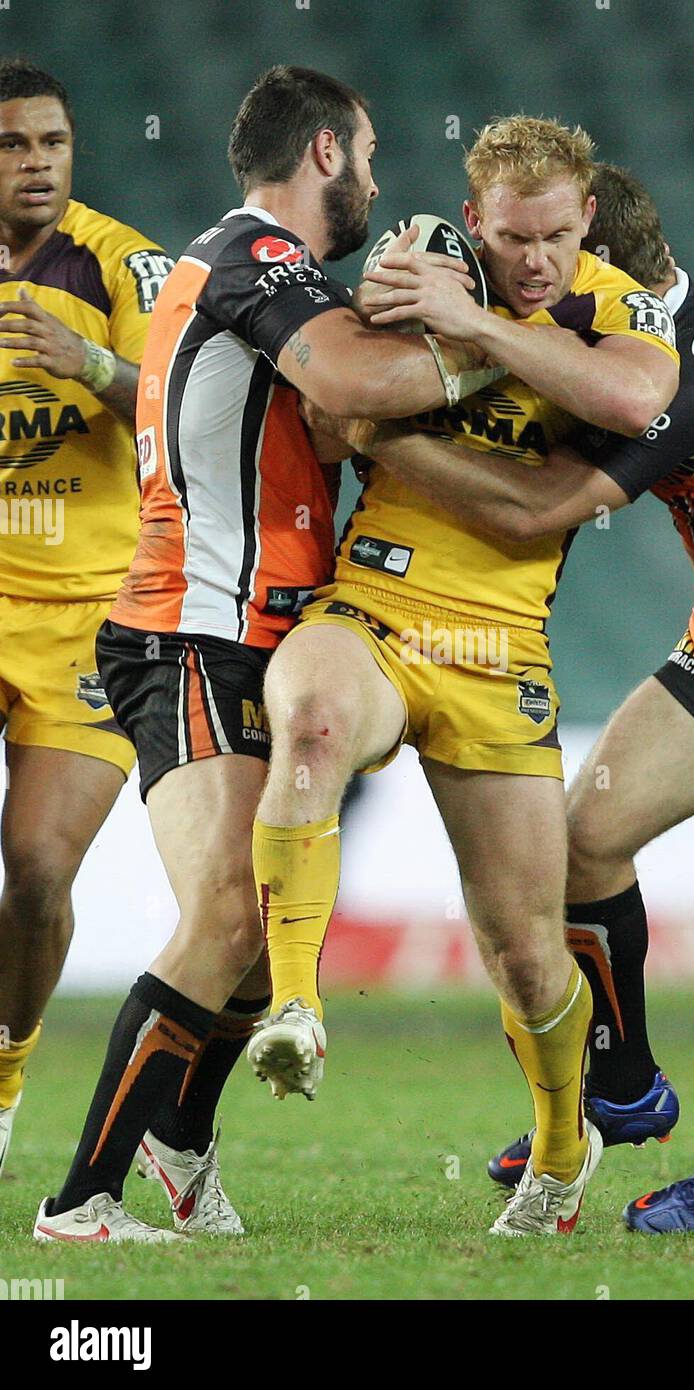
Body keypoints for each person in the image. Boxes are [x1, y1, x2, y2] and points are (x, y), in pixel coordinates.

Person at [349, 161, 694, 1233]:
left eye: (562, 268)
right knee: (581, 840)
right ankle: (625, 1086)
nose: (542, 286)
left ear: (607, 267)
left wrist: (390, 437)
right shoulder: (653, 331)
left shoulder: (676, 384)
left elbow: (535, 510)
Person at [33, 65, 501, 1245]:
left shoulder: (270, 282)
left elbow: (341, 411)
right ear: (327, 154)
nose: (378, 180)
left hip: (256, 633)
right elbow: (350, 385)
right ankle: (80, 1202)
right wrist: (491, 347)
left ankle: (179, 1145)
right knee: (230, 920)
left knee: (254, 938)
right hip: (190, 625)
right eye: (372, 154)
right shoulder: (251, 256)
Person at [248, 116, 678, 1237]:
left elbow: (627, 403)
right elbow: (331, 415)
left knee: (526, 954)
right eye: (508, 237)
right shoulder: (422, 271)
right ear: (475, 217)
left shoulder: (621, 310)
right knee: (310, 720)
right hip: (374, 603)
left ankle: (557, 1145)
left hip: (500, 651)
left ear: (585, 217)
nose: (531, 259)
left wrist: (467, 329)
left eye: (551, 235)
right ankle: (295, 998)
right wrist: (428, 313)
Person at [0, 59, 173, 1178]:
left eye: (53, 143)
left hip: (85, 614)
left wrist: (94, 362)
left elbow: (175, 401)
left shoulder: (120, 261)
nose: (38, 163)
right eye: (15, 145)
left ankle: (6, 1070)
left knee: (35, 869)